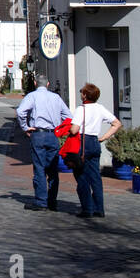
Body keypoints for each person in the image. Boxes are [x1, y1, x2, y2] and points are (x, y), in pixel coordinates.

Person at [15, 73, 72, 212]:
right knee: (53, 169)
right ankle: (52, 201)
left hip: (38, 134)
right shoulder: (56, 98)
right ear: (47, 84)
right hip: (53, 135)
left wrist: (25, 127)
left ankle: (41, 201)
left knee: (39, 168)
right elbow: (69, 116)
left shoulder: (32, 96)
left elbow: (20, 111)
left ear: (35, 83)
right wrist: (60, 129)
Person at [68, 83, 122, 219]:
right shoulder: (100, 108)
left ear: (85, 95)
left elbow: (74, 129)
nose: (81, 94)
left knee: (81, 176)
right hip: (94, 142)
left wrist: (69, 129)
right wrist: (104, 137)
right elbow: (116, 123)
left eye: (82, 92)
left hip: (82, 142)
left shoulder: (82, 109)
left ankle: (87, 208)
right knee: (95, 177)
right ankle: (99, 208)